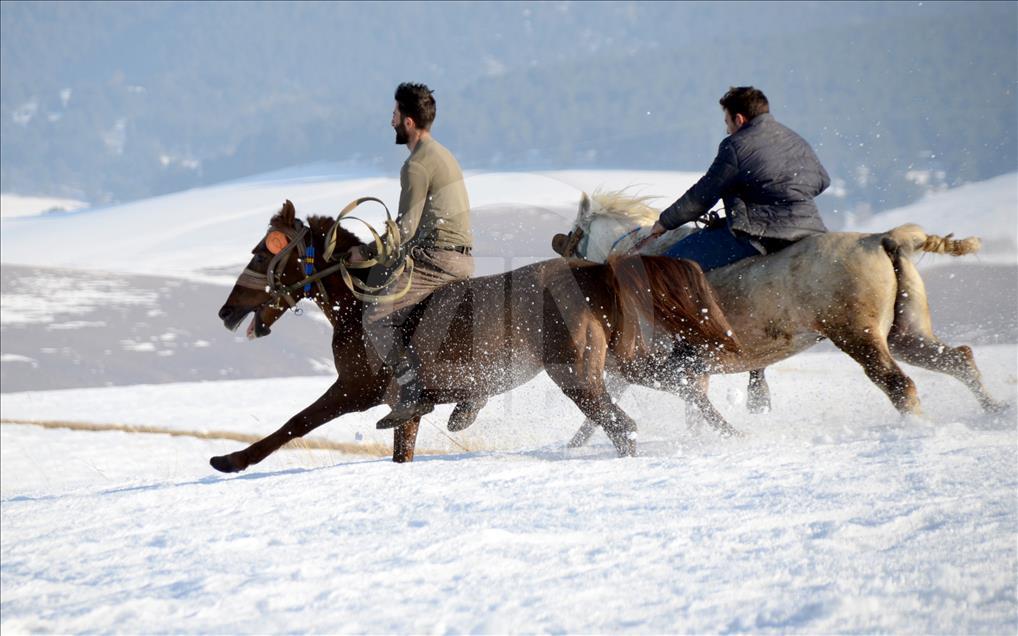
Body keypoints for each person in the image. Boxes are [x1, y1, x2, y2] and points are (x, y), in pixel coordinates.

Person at [347, 82, 474, 429]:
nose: (390, 120)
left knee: (375, 315)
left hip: (436, 260)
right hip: (463, 258)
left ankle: (412, 391)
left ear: (408, 122)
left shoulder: (416, 164)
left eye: (394, 113)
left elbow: (406, 229)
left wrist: (367, 253)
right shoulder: (445, 154)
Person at [647, 86, 830, 271]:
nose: (727, 130)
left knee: (667, 268)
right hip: (809, 228)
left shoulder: (736, 145)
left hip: (761, 235)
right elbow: (822, 180)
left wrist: (665, 222)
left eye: (727, 122)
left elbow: (704, 194)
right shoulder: (795, 140)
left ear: (739, 119)